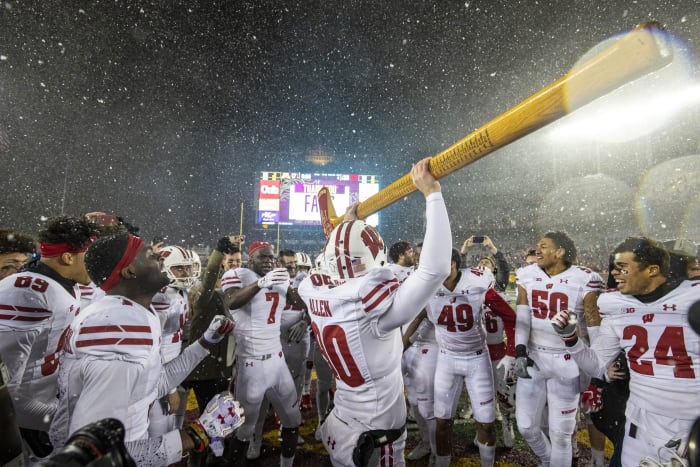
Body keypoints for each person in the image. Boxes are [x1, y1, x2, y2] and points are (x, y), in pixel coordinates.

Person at [298, 157, 452, 467]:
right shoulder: (373, 309)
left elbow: (338, 261)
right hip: (376, 433)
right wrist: (432, 193)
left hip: (344, 416)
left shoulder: (314, 290)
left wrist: (345, 228)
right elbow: (435, 270)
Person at [48, 233, 243, 466]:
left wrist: (204, 344)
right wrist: (198, 434)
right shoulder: (120, 324)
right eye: (150, 255)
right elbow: (95, 455)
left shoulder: (133, 311)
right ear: (130, 271)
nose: (161, 257)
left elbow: (152, 385)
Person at [551, 237, 700, 466]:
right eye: (615, 267)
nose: (614, 274)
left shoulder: (692, 297)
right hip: (640, 424)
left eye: (623, 268)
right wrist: (571, 339)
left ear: (652, 270)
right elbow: (597, 364)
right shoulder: (615, 304)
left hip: (691, 422)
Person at [0, 215, 98, 457]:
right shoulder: (28, 291)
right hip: (19, 424)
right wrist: (63, 417)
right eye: (91, 255)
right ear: (68, 257)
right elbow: (8, 393)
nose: (97, 263)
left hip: (39, 409)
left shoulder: (62, 284)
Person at [514, 231, 604, 467]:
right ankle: (547, 459)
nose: (537, 251)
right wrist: (520, 351)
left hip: (567, 361)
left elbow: (595, 330)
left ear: (560, 251)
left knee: (561, 435)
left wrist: (596, 376)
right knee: (525, 426)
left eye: (543, 246)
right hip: (534, 357)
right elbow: (523, 320)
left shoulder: (585, 278)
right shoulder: (526, 275)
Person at [427, 248, 516, 467]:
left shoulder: (476, 282)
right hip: (446, 359)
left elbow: (510, 316)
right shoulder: (426, 285)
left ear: (454, 264)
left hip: (477, 359)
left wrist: (512, 352)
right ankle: (441, 463)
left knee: (486, 423)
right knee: (442, 421)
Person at [221, 241, 302, 466]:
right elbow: (232, 301)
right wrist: (261, 283)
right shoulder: (238, 274)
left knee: (293, 421)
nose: (268, 261)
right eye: (262, 257)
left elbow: (299, 302)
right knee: (244, 429)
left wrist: (290, 286)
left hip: (278, 361)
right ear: (250, 258)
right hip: (251, 364)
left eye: (270, 257)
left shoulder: (280, 277)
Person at [185, 236, 242, 467]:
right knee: (210, 413)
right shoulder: (204, 293)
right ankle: (203, 454)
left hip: (224, 364)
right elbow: (208, 280)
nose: (235, 265)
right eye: (229, 262)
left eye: (239, 262)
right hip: (206, 367)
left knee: (219, 411)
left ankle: (210, 452)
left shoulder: (236, 291)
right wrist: (218, 252)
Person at [150, 245, 200, 437]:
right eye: (179, 268)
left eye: (188, 267)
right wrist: (169, 388)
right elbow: (154, 344)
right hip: (158, 370)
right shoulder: (160, 295)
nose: (186, 273)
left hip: (172, 362)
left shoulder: (179, 291)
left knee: (172, 425)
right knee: (158, 429)